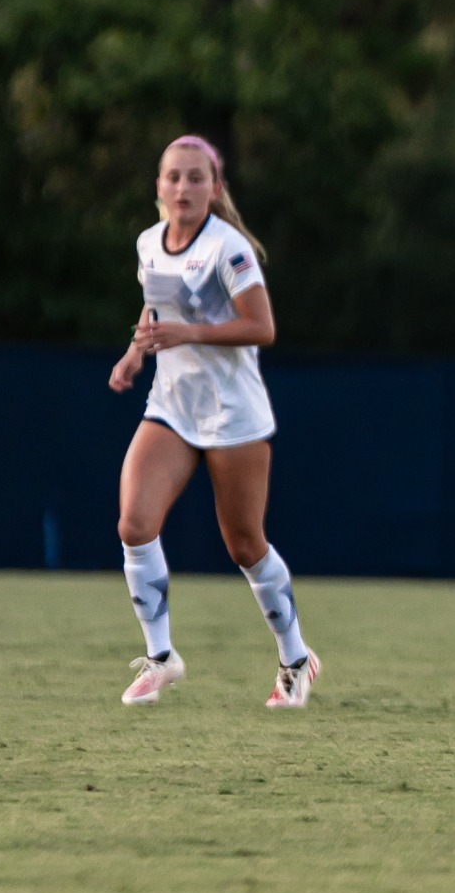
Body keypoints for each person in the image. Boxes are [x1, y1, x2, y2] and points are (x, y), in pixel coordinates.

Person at [107, 135, 320, 710]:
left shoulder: (229, 250)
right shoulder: (149, 243)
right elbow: (156, 307)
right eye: (173, 177)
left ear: (215, 188)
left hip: (233, 415)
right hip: (172, 407)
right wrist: (136, 350)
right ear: (158, 185)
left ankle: (295, 659)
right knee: (134, 523)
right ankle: (160, 657)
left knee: (245, 545)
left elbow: (262, 327)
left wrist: (188, 333)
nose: (183, 187)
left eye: (196, 178)